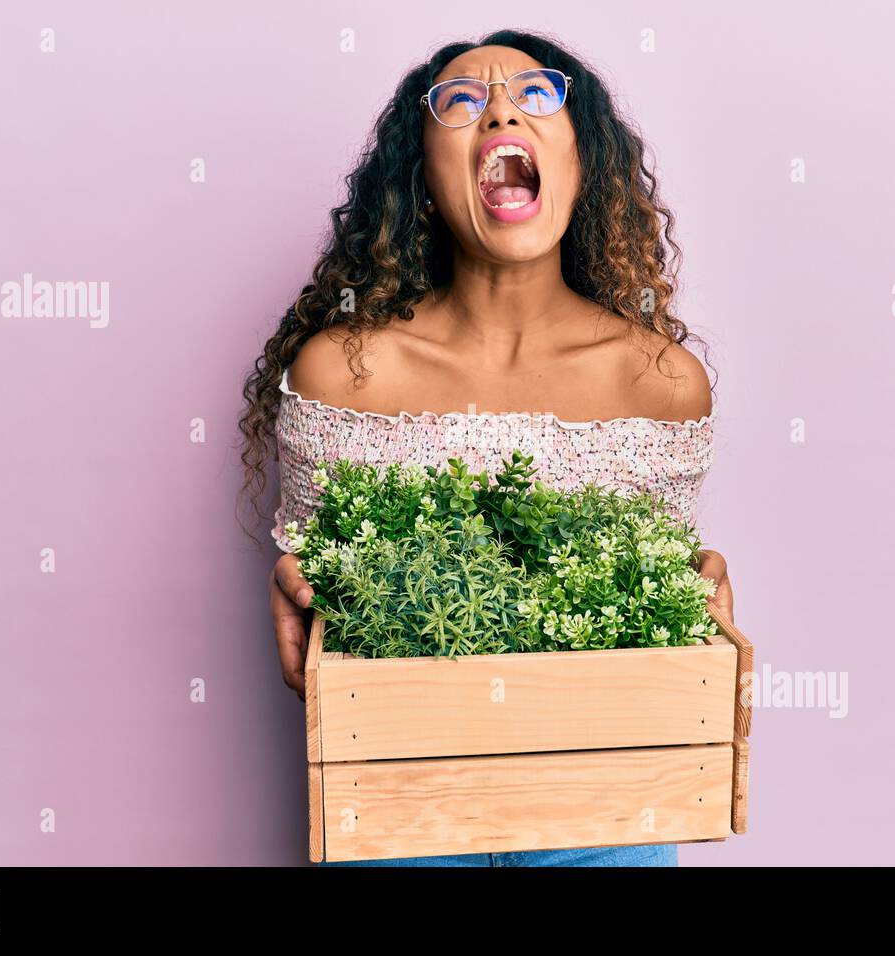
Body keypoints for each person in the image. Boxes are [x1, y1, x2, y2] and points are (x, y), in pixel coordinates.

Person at [237, 29, 734, 867]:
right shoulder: (341, 373)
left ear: (585, 165)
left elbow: (656, 589)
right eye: (461, 102)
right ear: (424, 181)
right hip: (397, 815)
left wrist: (692, 593)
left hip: (605, 817)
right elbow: (317, 583)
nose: (500, 106)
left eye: (536, 94)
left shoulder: (661, 381)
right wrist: (296, 575)